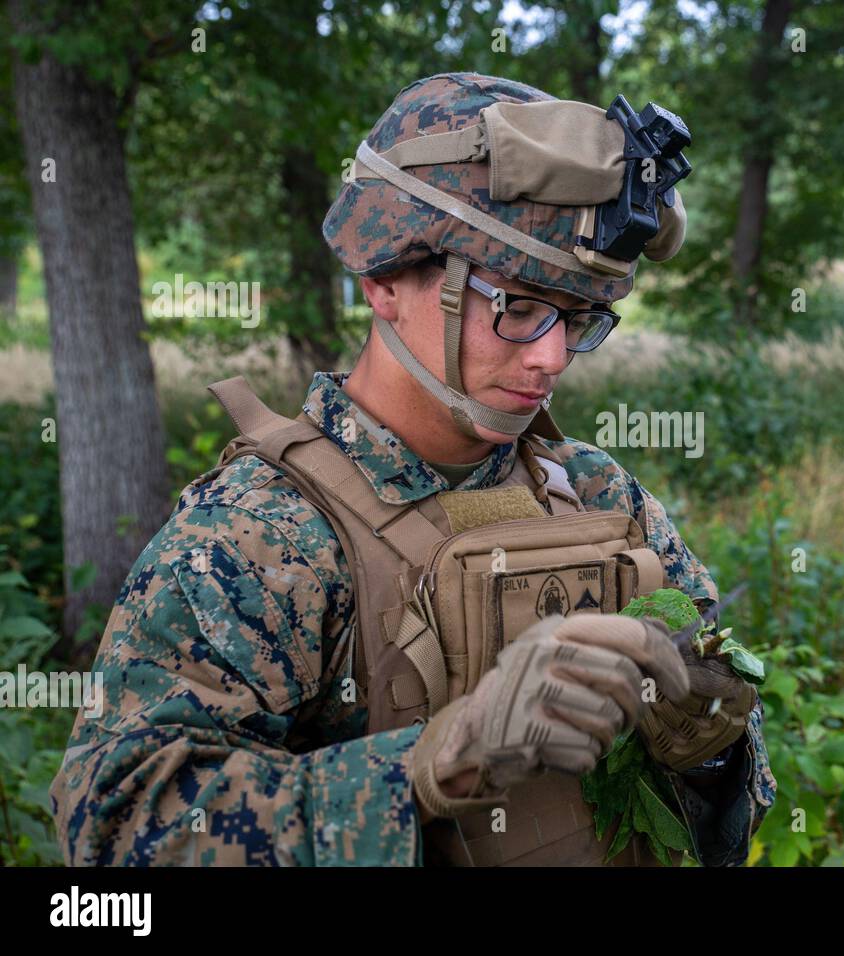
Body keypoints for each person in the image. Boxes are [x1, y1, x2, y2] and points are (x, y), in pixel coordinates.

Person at [50, 72, 775, 867]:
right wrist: (426, 771)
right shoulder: (263, 532)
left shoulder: (595, 491)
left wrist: (707, 745)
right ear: (385, 278)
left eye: (580, 320)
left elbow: (716, 779)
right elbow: (117, 830)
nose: (551, 356)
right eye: (519, 307)